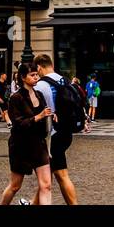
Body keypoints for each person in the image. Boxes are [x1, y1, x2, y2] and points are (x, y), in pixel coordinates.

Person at [0, 62, 53, 205]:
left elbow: (43, 114)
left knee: (46, 185)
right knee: (15, 185)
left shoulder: (39, 94)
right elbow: (17, 124)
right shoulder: (16, 98)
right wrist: (38, 117)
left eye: (37, 74)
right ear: (23, 77)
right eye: (32, 75)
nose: (36, 77)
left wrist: (51, 116)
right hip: (21, 146)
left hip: (38, 145)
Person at [34, 53, 80, 205]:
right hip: (66, 131)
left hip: (52, 134)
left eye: (37, 70)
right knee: (47, 175)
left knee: (61, 175)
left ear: (39, 67)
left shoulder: (40, 85)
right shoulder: (64, 80)